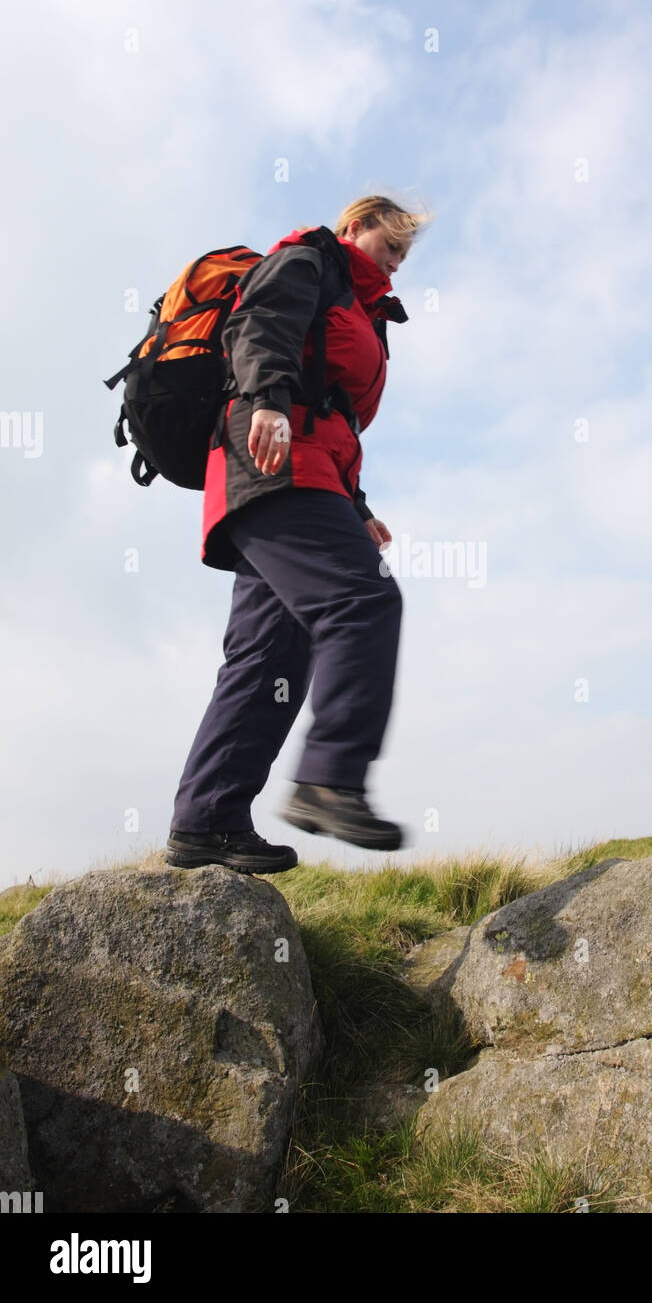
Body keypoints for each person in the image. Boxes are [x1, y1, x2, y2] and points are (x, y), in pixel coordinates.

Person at [165, 194, 431, 875]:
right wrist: (269, 404)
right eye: (389, 238)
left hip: (304, 471)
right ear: (355, 225)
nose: (397, 256)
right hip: (274, 462)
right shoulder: (309, 258)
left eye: (406, 249)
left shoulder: (364, 307)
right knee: (363, 602)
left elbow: (336, 412)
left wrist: (358, 505)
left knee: (269, 661)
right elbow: (259, 325)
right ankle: (331, 779)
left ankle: (207, 823)